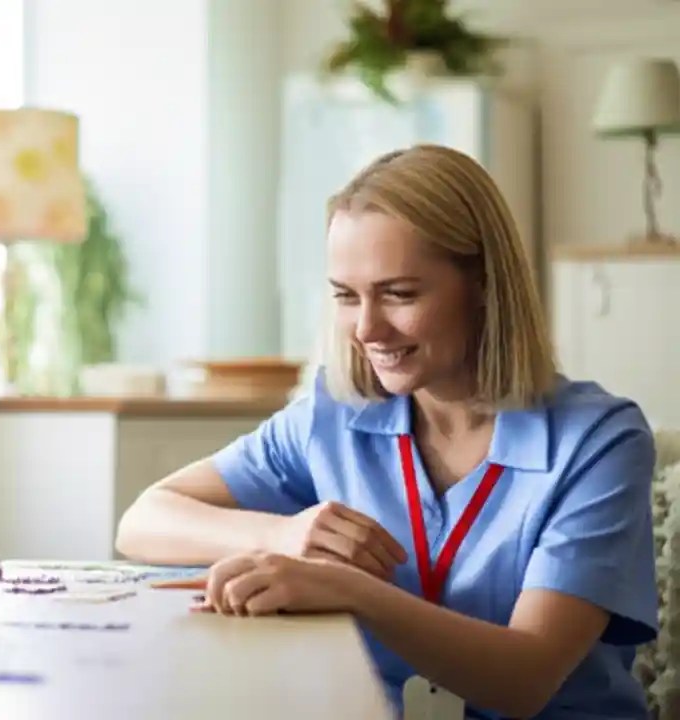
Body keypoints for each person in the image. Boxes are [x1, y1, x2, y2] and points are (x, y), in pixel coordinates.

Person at [116, 144, 658, 719]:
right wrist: (282, 538)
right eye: (347, 296)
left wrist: (346, 588)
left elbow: (523, 681)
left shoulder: (600, 441)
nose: (367, 329)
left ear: (484, 286)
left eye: (400, 294)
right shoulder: (332, 415)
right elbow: (144, 521)